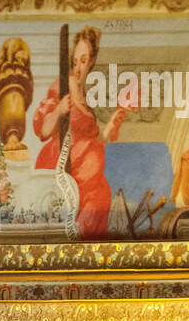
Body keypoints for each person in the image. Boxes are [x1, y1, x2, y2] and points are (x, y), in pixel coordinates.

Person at [33, 27, 129, 239]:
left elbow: (98, 140)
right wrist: (58, 109)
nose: (78, 67)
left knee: (101, 195)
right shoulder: (61, 86)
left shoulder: (85, 98)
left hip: (88, 172)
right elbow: (43, 130)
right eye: (75, 61)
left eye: (83, 61)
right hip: (66, 163)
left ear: (92, 61)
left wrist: (113, 122)